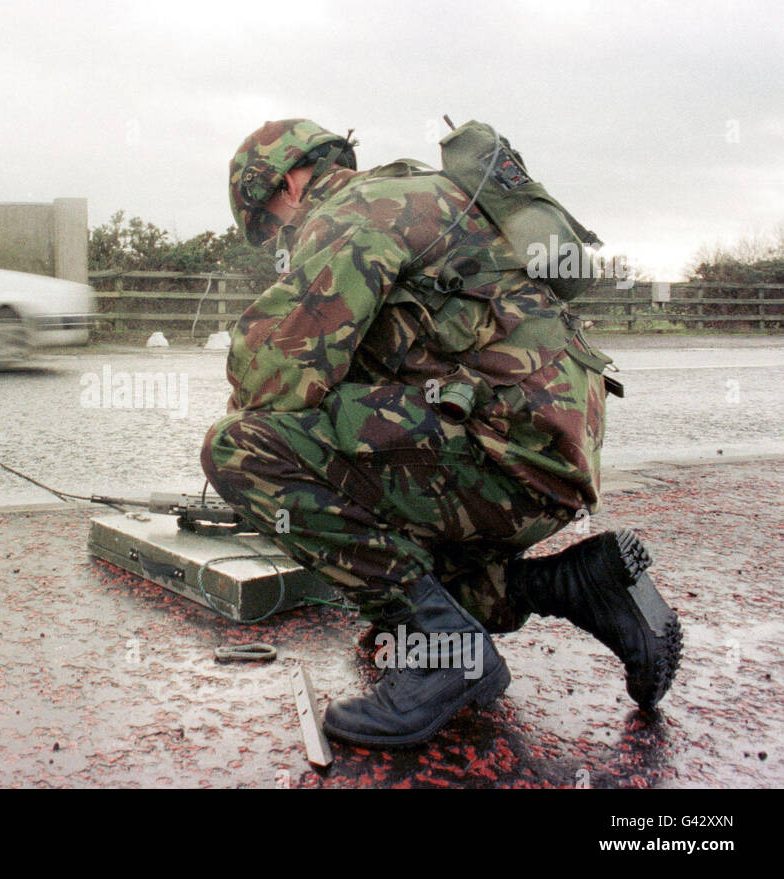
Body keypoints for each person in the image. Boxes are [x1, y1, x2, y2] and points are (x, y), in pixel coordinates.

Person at [200, 119, 682, 747]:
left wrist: (276, 464)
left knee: (239, 446)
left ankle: (447, 653)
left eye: (269, 222)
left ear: (289, 179)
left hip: (498, 456)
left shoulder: (352, 212)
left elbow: (277, 374)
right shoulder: (431, 194)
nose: (277, 239)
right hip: (543, 463)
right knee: (395, 595)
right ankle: (576, 583)